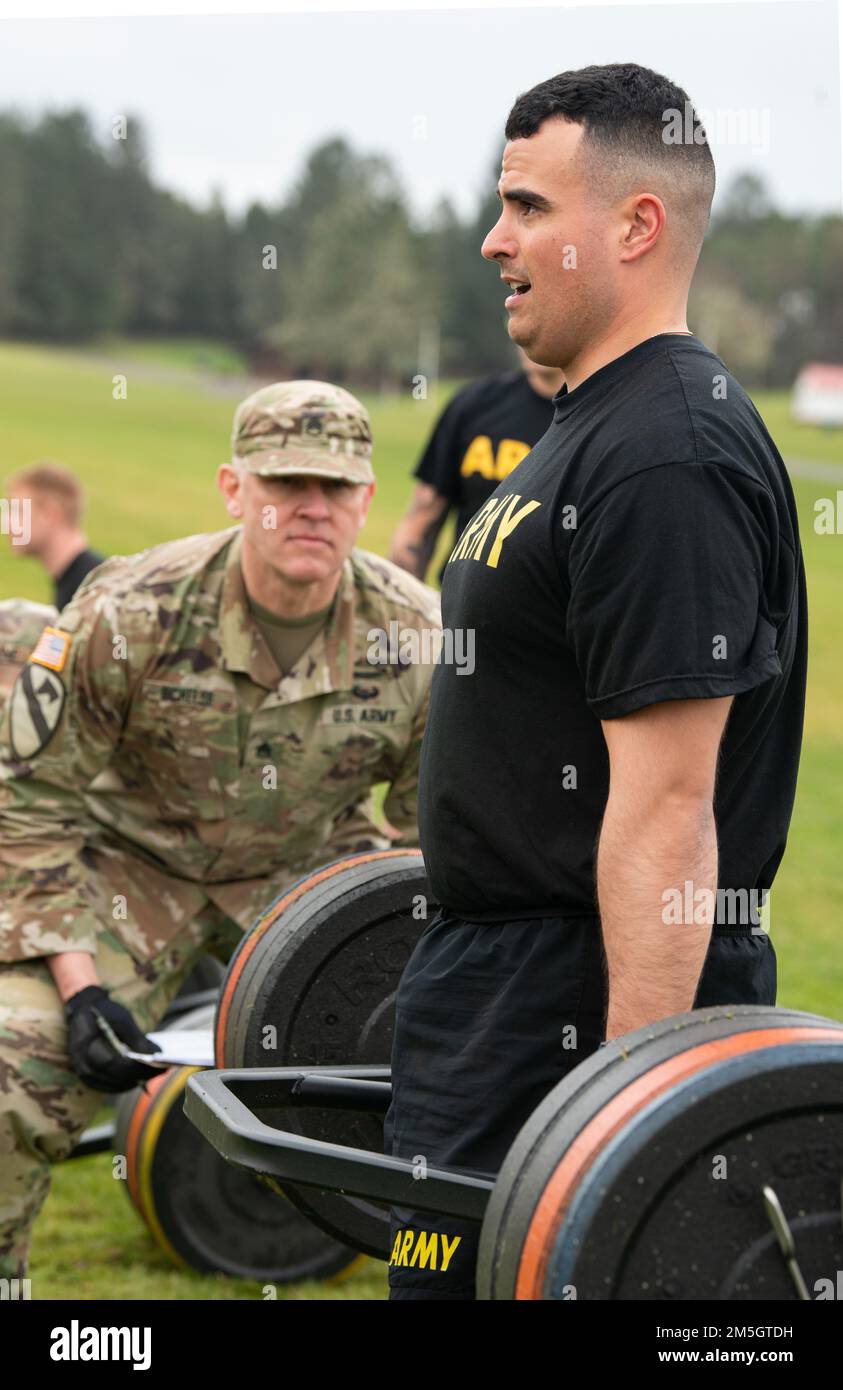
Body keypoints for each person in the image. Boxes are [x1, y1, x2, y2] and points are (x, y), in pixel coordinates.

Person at [384, 63, 808, 1300]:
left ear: (635, 227)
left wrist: (630, 1129)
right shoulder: (589, 425)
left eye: (526, 206)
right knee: (429, 1280)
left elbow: (673, 811)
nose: (491, 237)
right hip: (489, 993)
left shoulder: (665, 452)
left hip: (568, 1004)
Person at [0, 379, 441, 1281]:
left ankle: (435, 1264)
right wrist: (81, 993)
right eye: (284, 485)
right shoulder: (129, 611)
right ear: (235, 490)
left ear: (365, 499)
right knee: (15, 1067)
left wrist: (409, 987)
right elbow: (29, 801)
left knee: (448, 1072)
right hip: (128, 870)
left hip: (306, 878)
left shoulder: (420, 638)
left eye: (332, 488)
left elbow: (430, 841)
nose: (309, 508)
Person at [390, 347, 563, 583]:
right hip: (461, 612)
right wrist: (401, 608)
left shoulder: (605, 415)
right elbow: (423, 517)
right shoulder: (474, 404)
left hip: (560, 615)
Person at [5, 463, 105, 608]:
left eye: (19, 511)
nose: (7, 523)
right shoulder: (77, 583)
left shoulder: (92, 592)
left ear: (51, 514)